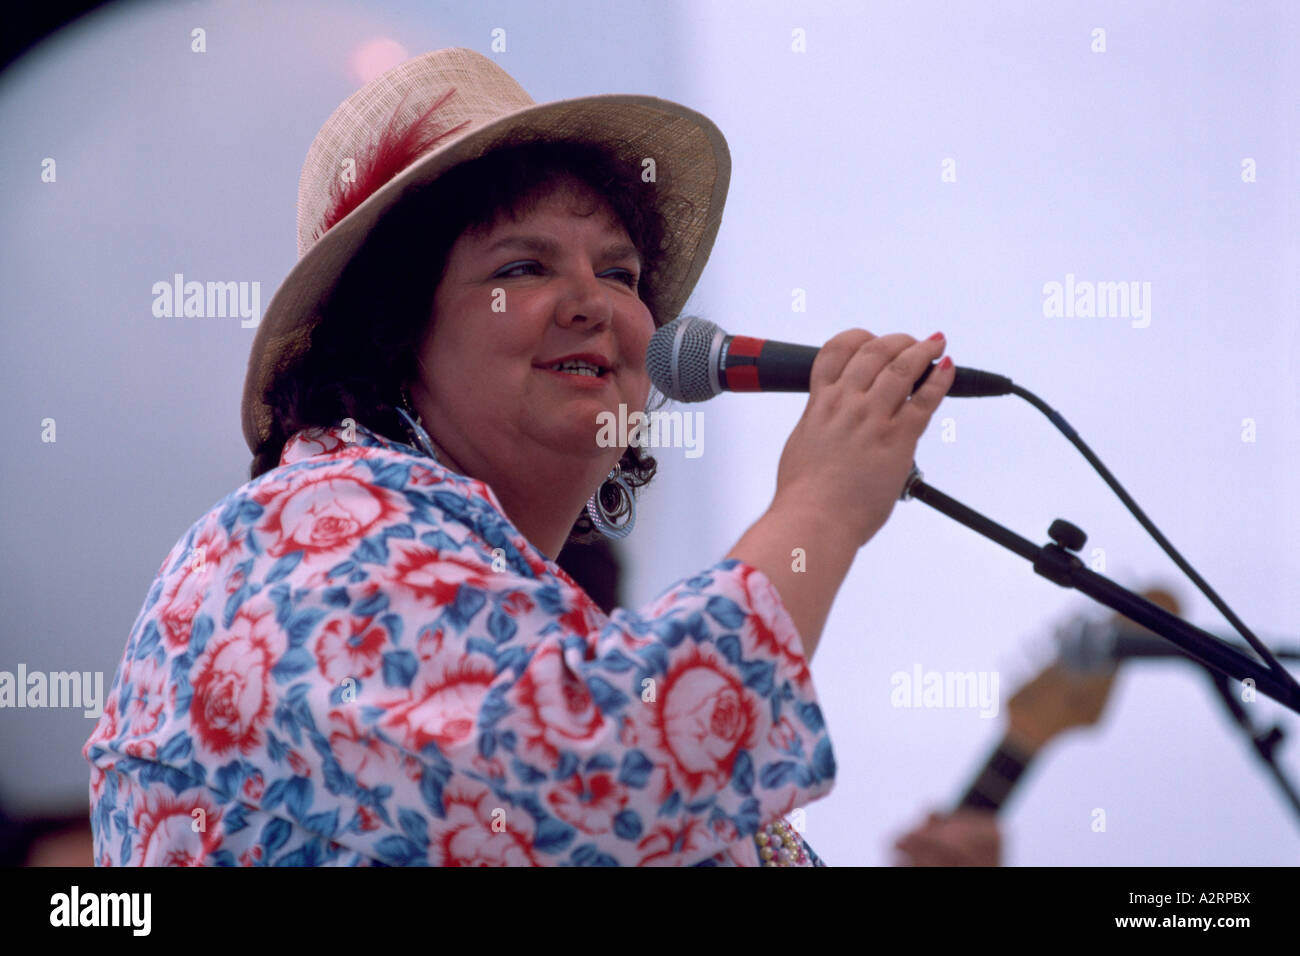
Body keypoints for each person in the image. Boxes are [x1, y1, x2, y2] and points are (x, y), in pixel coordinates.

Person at [83, 47, 954, 866]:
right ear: (395, 326)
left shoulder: (516, 605)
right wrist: (823, 504)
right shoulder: (299, 534)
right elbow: (604, 777)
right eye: (525, 265)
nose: (593, 303)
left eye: (620, 273)